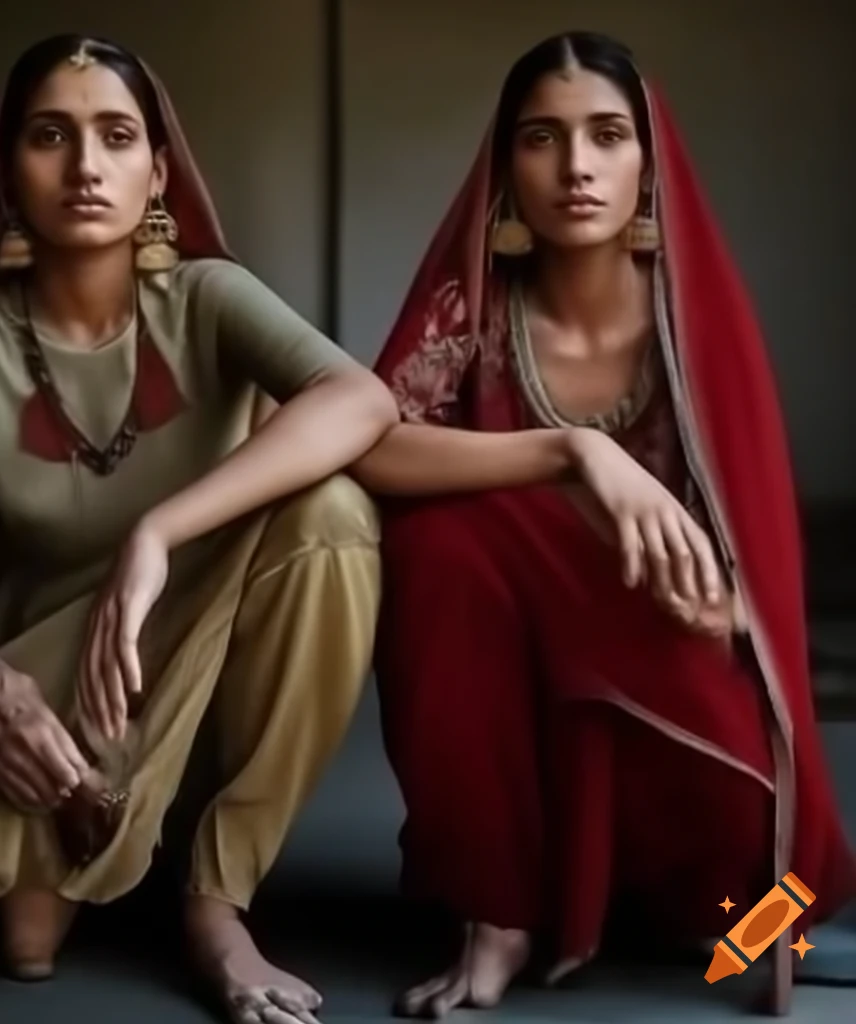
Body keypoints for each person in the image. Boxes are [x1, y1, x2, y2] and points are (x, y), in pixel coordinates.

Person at [0, 34, 397, 1024]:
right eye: (51, 135)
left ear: (158, 172)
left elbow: (359, 402)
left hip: (202, 643)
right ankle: (81, 823)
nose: (86, 166)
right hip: (50, 673)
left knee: (331, 517)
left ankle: (214, 897)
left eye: (117, 136)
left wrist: (157, 534)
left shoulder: (208, 299)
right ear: (8, 172)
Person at [353, 31, 855, 1018]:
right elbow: (373, 443)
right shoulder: (478, 306)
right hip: (512, 654)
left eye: (606, 136)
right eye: (541, 138)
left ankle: (688, 905)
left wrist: (725, 602)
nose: (576, 167)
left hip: (658, 629)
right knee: (438, 541)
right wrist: (573, 454)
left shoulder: (690, 318)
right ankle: (494, 906)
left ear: (647, 162)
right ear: (505, 163)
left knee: (751, 877)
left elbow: (754, 542)